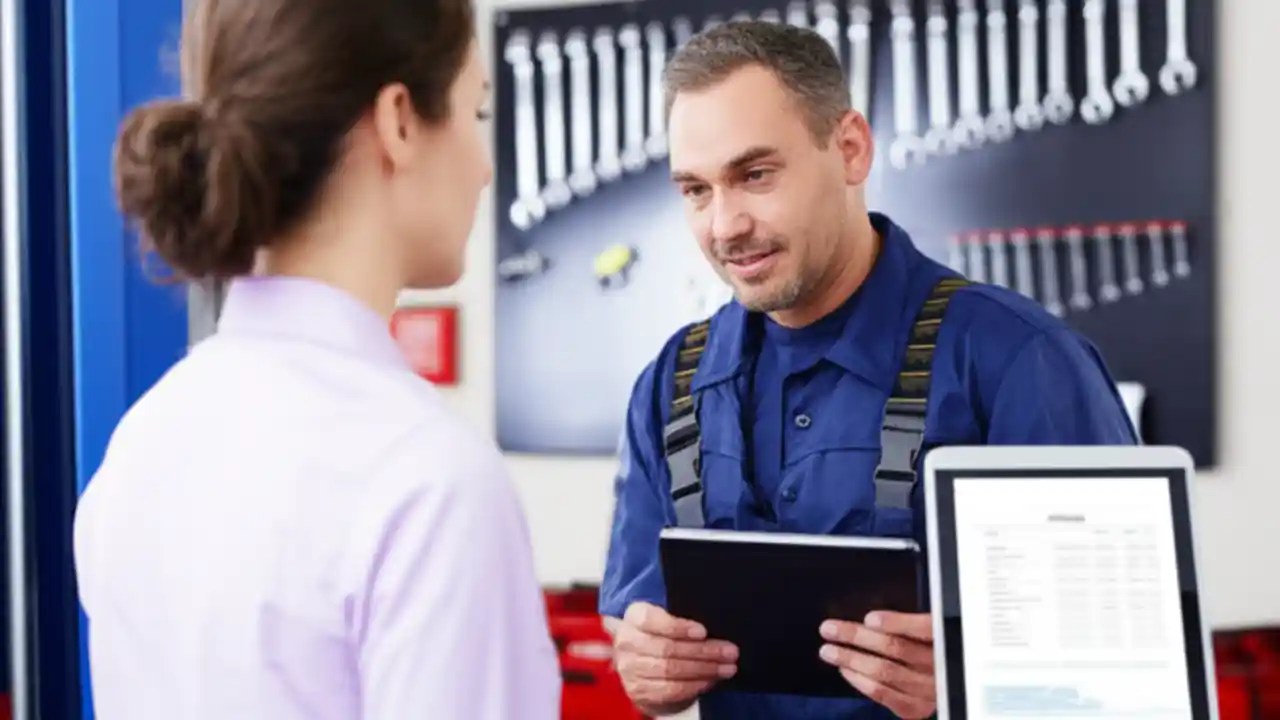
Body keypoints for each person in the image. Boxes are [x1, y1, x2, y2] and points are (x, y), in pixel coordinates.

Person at [599, 21, 1137, 720]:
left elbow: (1127, 675)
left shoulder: (1019, 363)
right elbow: (636, 626)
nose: (725, 224)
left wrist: (981, 686)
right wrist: (646, 667)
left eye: (755, 175)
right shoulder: (671, 385)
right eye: (696, 191)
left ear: (850, 148)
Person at [72, 1, 559, 718]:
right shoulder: (427, 482)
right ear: (398, 121)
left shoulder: (143, 442)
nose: (486, 167)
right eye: (477, 114)